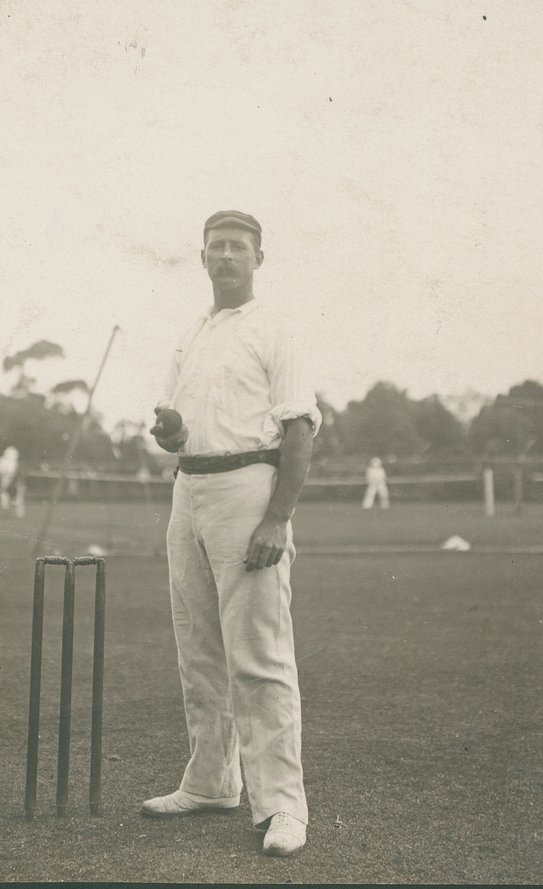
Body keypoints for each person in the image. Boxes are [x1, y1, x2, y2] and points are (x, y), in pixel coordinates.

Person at [142, 210, 321, 858]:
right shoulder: (192, 333)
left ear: (257, 258)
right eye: (215, 246)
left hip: (249, 489)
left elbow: (298, 429)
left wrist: (277, 517)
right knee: (198, 648)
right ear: (202, 258)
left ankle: (282, 806)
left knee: (259, 654)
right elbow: (179, 435)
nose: (225, 256)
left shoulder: (273, 328)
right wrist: (171, 432)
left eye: (237, 247)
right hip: (189, 490)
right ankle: (212, 782)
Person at [0, 446, 26, 517]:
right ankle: (6, 507)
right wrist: (6, 478)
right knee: (5, 493)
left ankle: (19, 511)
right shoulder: (2, 460)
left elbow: (18, 473)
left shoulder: (17, 462)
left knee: (19, 494)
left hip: (15, 480)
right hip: (6, 479)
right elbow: (1, 472)